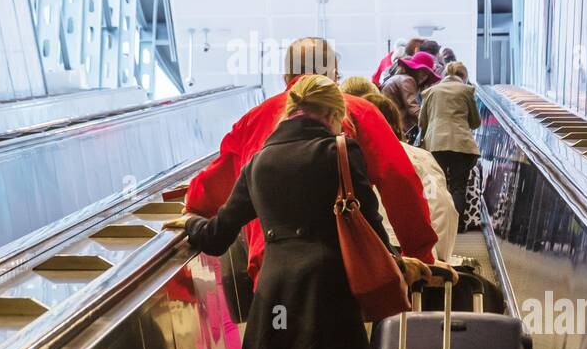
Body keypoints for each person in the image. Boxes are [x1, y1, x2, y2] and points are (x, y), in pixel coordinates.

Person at [165, 76, 432, 349]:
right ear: (333, 115)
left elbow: (217, 235)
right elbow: (372, 233)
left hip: (275, 308)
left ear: (290, 111)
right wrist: (405, 262)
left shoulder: (259, 162)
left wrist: (190, 224)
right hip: (328, 308)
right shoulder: (340, 152)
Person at [185, 37, 439, 283]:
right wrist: (419, 254)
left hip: (272, 270)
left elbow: (218, 180)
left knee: (280, 324)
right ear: (335, 74)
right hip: (349, 269)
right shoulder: (360, 112)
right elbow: (400, 180)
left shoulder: (252, 120)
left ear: (286, 77)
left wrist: (193, 206)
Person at [359, 91, 458, 262]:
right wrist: (438, 260)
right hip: (418, 256)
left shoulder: (352, 160)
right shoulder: (422, 157)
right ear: (396, 125)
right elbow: (445, 208)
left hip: (375, 258)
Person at [419, 61, 481, 217]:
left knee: (436, 185)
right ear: (464, 76)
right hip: (461, 145)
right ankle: (455, 226)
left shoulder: (431, 91)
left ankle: (436, 223)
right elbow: (475, 122)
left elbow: (422, 122)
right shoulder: (467, 91)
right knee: (458, 186)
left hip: (435, 145)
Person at [379, 50, 440, 140]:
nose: (424, 76)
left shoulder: (398, 78)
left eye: (427, 73)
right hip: (400, 130)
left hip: (390, 127)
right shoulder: (407, 80)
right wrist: (431, 125)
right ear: (413, 68)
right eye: (422, 71)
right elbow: (413, 108)